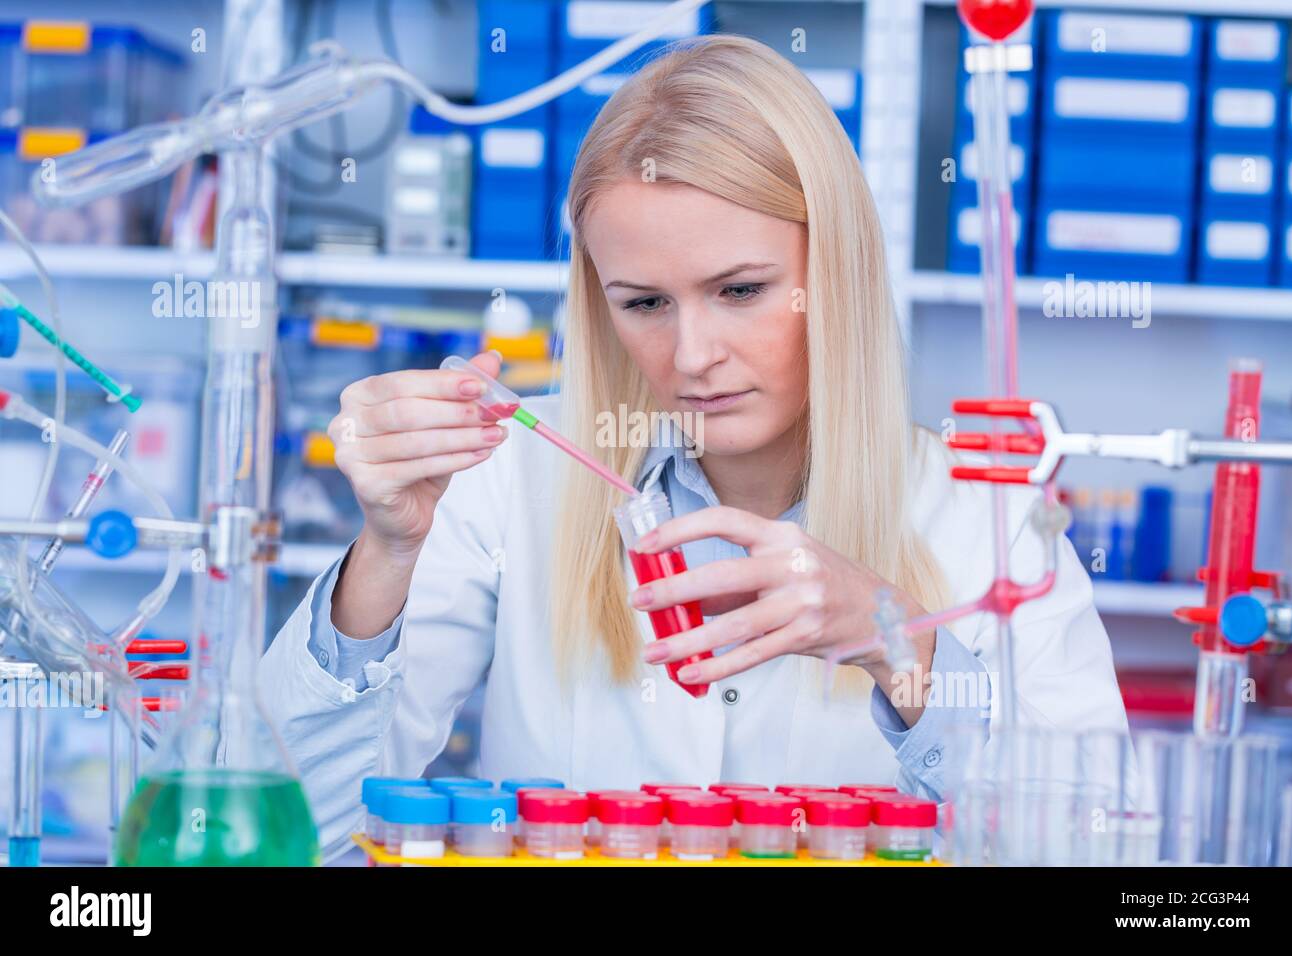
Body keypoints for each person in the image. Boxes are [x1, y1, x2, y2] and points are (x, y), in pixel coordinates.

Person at [259, 34, 1128, 860]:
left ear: (837, 271)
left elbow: (1097, 852)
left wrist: (896, 645)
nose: (693, 356)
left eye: (741, 290)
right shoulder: (512, 475)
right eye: (644, 303)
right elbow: (297, 833)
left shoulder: (990, 514)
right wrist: (387, 551)